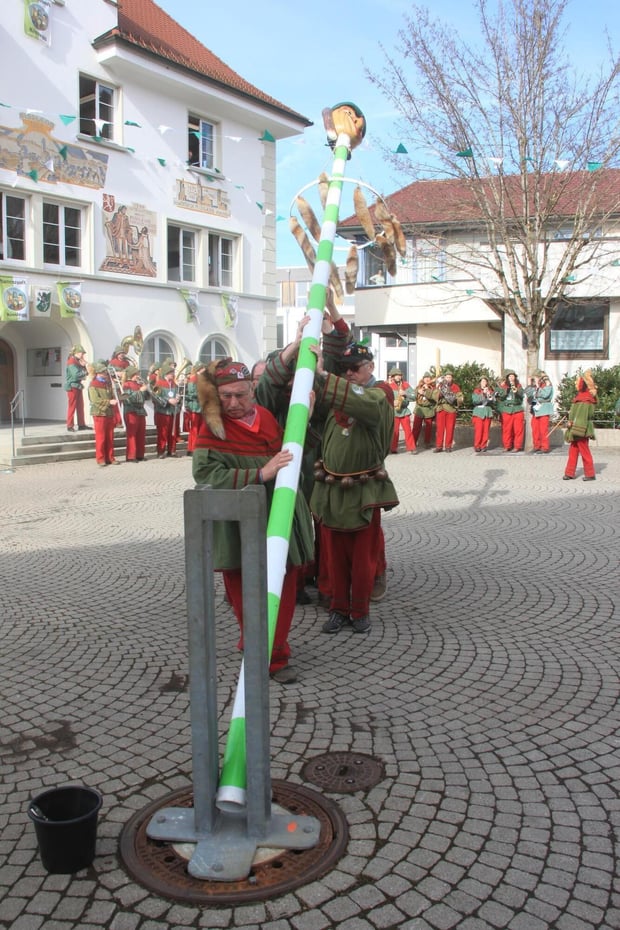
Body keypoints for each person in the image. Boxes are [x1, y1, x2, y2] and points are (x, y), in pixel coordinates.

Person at [192, 358, 314, 684]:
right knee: (241, 591)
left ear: (251, 391)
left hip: (279, 514)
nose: (233, 403)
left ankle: (274, 654)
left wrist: (306, 419)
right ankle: (261, 648)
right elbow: (204, 475)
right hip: (237, 525)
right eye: (226, 396)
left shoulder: (267, 417)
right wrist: (260, 473)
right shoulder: (211, 428)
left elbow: (287, 450)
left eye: (240, 395)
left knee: (283, 586)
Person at [310, 341, 399, 635]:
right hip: (333, 489)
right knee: (334, 558)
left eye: (354, 368)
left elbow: (364, 402)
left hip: (364, 490)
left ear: (370, 367)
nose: (348, 373)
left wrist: (324, 375)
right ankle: (338, 608)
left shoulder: (378, 396)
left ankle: (359, 610)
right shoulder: (341, 401)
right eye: (343, 369)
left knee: (362, 560)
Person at [563, 370, 597, 481]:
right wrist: (570, 420)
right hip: (574, 428)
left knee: (584, 451)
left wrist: (574, 423)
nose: (576, 384)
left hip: (581, 429)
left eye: (578, 382)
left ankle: (590, 473)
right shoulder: (579, 397)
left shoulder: (587, 399)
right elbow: (575, 414)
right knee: (573, 451)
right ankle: (569, 473)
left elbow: (585, 416)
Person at [88, 361, 120, 466]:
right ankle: (100, 459)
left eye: (105, 372)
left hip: (109, 412)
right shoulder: (93, 385)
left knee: (110, 437)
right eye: (102, 372)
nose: (104, 374)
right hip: (99, 413)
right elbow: (95, 400)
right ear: (97, 373)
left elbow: (111, 396)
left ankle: (110, 457)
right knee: (101, 437)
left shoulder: (107, 384)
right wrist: (109, 402)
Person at [152, 360, 181, 457]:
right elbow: (155, 398)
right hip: (163, 412)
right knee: (163, 432)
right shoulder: (159, 384)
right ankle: (161, 451)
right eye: (171, 373)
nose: (173, 374)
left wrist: (178, 398)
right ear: (166, 373)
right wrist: (168, 400)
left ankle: (172, 450)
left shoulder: (174, 384)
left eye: (173, 373)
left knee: (172, 432)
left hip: (172, 412)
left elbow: (177, 394)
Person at [121, 366, 149, 462]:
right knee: (132, 434)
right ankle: (131, 456)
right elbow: (128, 398)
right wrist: (140, 391)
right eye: (136, 374)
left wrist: (147, 390)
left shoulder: (138, 384)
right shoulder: (126, 385)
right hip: (131, 411)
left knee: (141, 433)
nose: (138, 376)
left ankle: (140, 454)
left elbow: (146, 398)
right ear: (132, 375)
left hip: (141, 411)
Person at [432, 371, 463, 452]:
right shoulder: (439, 385)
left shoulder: (455, 387)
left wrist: (455, 398)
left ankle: (448, 446)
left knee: (450, 428)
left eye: (450, 377)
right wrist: (440, 395)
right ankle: (439, 446)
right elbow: (434, 395)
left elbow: (460, 397)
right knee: (440, 429)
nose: (448, 379)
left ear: (452, 378)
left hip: (451, 409)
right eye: (447, 377)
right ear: (444, 378)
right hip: (441, 408)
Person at [388, 367, 417, 454]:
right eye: (396, 375)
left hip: (404, 411)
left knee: (408, 430)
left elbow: (414, 396)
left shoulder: (406, 385)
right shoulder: (389, 386)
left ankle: (412, 448)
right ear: (392, 376)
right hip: (394, 412)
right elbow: (384, 397)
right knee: (395, 431)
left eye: (399, 375)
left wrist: (405, 393)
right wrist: (392, 402)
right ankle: (393, 448)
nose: (398, 377)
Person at [525, 371, 555, 453]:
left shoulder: (547, 385)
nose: (535, 380)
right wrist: (529, 384)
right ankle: (536, 446)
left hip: (544, 409)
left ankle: (544, 447)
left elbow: (546, 395)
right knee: (535, 429)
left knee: (543, 429)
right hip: (536, 409)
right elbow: (528, 394)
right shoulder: (534, 386)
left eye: (536, 378)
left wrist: (538, 387)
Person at [496, 370, 525, 452]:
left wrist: (517, 392)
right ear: (507, 378)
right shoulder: (503, 386)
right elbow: (500, 397)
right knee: (507, 429)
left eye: (513, 376)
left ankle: (517, 446)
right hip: (507, 409)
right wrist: (506, 391)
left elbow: (522, 395)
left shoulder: (518, 386)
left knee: (518, 429)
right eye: (509, 376)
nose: (511, 378)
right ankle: (507, 445)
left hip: (517, 409)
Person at [64, 344, 90, 432]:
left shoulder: (77, 361)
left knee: (80, 406)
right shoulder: (72, 361)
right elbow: (75, 375)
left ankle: (81, 424)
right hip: (72, 386)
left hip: (78, 386)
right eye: (81, 353)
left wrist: (84, 367)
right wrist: (84, 373)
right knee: (72, 406)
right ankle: (69, 425)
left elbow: (85, 373)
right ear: (76, 353)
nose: (82, 355)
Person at [183, 363, 206, 456]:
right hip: (195, 407)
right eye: (203, 368)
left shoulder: (201, 378)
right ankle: (193, 448)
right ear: (200, 369)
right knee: (194, 429)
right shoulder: (194, 378)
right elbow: (192, 393)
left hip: (200, 407)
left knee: (199, 429)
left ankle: (195, 448)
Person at [471, 376, 496, 452]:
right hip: (478, 412)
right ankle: (477, 445)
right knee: (479, 430)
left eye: (485, 382)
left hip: (487, 412)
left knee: (486, 431)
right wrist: (482, 393)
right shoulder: (476, 391)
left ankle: (483, 445)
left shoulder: (490, 390)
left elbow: (493, 401)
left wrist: (490, 395)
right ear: (480, 383)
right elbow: (475, 401)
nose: (484, 383)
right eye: (482, 381)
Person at [412, 372, 436, 447]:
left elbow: (433, 396)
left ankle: (427, 443)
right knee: (416, 427)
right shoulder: (419, 386)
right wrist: (418, 391)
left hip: (428, 409)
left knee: (428, 428)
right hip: (419, 409)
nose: (427, 379)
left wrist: (426, 391)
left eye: (428, 378)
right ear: (423, 379)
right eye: (426, 378)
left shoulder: (433, 387)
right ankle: (413, 442)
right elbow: (413, 395)